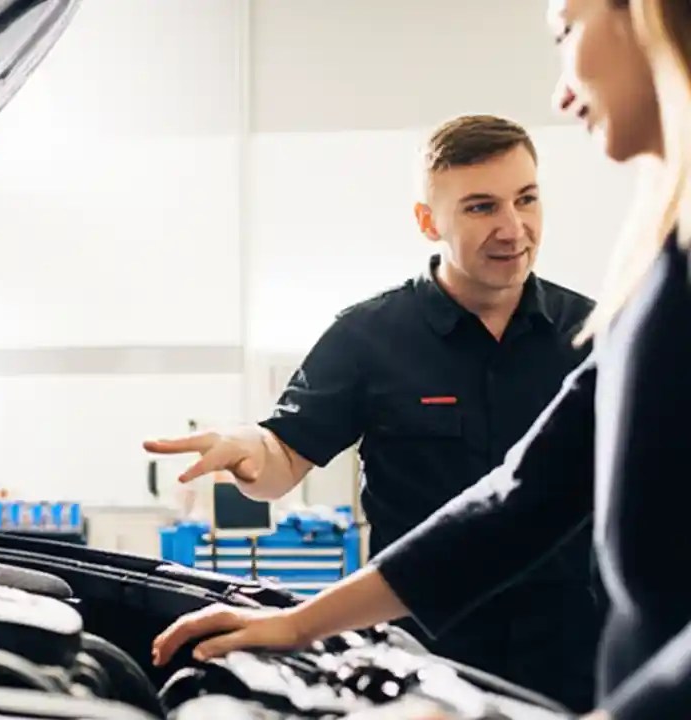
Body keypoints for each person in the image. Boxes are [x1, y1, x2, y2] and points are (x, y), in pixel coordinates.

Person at [151, 0, 691, 717]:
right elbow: (521, 501)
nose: (563, 91)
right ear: (429, 221)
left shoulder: (600, 314)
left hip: (586, 668)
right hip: (444, 655)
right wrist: (296, 624)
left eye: (565, 32)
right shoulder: (648, 284)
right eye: (480, 207)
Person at [144, 113, 602, 709]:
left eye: (527, 199)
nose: (513, 227)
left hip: (573, 653)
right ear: (427, 221)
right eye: (481, 207)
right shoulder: (369, 337)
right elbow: (284, 454)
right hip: (424, 657)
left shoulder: (597, 330)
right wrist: (250, 449)